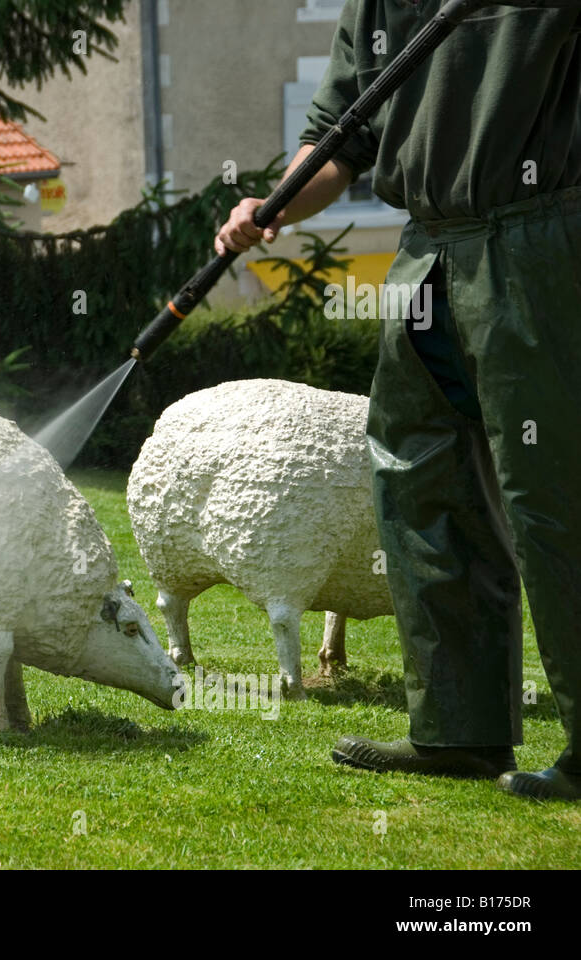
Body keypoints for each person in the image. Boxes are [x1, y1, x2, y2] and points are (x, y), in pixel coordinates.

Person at [214, 0, 581, 800]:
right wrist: (267, 207)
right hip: (425, 253)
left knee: (552, 492)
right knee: (418, 476)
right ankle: (458, 730)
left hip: (541, 243)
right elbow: (342, 138)